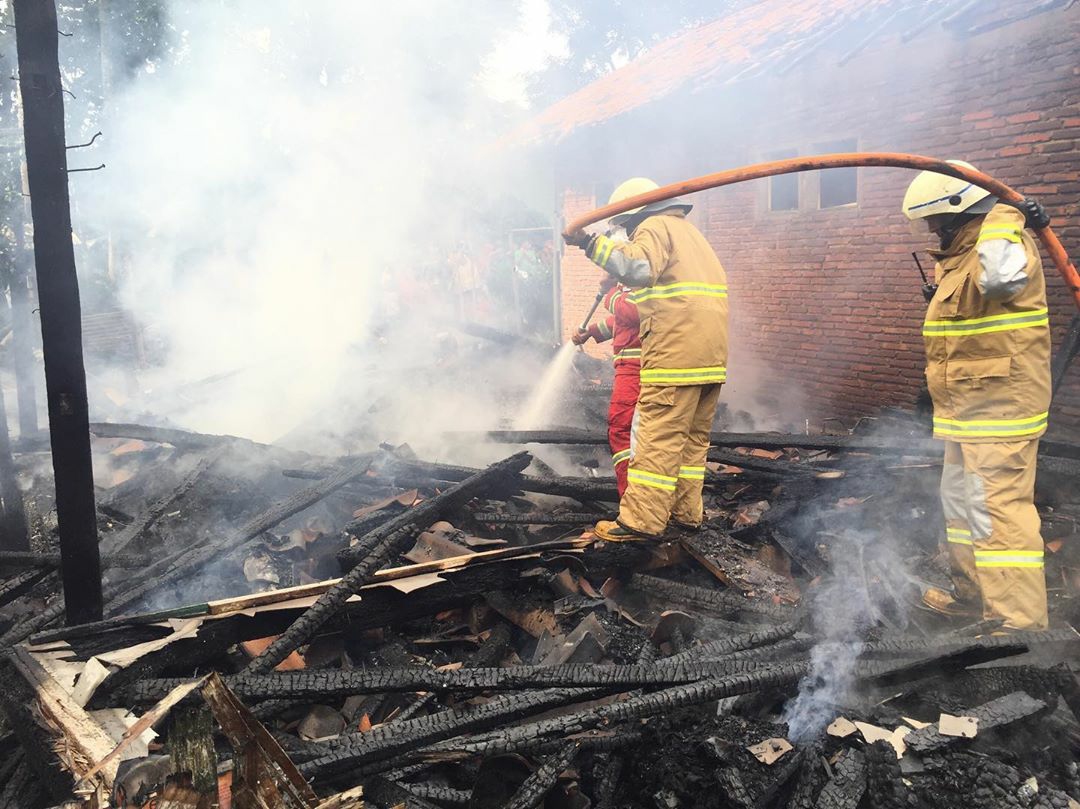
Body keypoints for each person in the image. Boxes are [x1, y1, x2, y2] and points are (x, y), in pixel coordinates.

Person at [902, 160, 1052, 631]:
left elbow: (1000, 281)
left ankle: (1018, 624)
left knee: (997, 516)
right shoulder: (962, 257)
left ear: (960, 209)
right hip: (966, 410)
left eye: (935, 219)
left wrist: (1008, 215)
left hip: (1001, 411)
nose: (931, 229)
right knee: (962, 507)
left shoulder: (1004, 242)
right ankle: (973, 598)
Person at [565, 177, 728, 541]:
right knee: (690, 445)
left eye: (625, 225)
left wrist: (590, 243)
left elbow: (637, 269)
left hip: (674, 358)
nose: (628, 233)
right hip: (709, 360)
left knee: (656, 441)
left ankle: (640, 521)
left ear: (636, 215)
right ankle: (686, 514)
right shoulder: (692, 236)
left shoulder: (655, 227)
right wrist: (597, 330)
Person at [572, 272, 642, 497]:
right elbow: (623, 322)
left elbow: (634, 311)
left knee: (623, 431)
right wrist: (592, 332)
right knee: (628, 432)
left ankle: (631, 499)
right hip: (631, 368)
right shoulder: (633, 278)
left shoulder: (640, 274)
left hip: (636, 369)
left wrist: (610, 291)